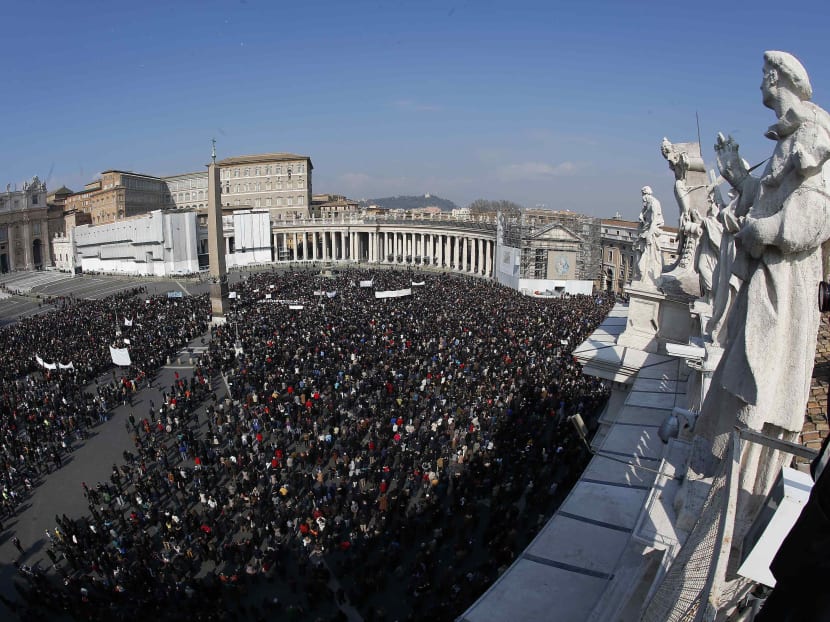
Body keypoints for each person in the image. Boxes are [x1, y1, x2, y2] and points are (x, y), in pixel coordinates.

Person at [691, 51, 830, 533]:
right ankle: (729, 486)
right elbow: (767, 194)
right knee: (748, 369)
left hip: (785, 285)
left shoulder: (814, 135)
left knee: (761, 378)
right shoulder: (789, 136)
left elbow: (814, 213)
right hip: (767, 279)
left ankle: (740, 498)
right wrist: (737, 175)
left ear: (779, 79)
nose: (760, 83)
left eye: (764, 76)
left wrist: (764, 231)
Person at [634, 186, 665, 286]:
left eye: (643, 195)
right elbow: (644, 215)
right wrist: (641, 215)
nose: (642, 197)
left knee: (642, 263)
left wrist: (649, 235)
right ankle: (641, 276)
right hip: (644, 232)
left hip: (650, 233)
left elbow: (654, 221)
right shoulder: (647, 204)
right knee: (638, 257)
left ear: (646, 194)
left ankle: (645, 277)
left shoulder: (654, 203)